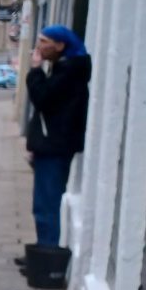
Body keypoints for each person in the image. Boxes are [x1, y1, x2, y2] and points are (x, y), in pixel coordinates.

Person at [25, 24, 91, 248]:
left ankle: (47, 252)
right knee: (43, 203)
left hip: (55, 148)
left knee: (47, 203)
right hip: (52, 145)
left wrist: (35, 70)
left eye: (44, 41)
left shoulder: (69, 71)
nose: (39, 46)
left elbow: (43, 99)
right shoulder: (64, 68)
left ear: (60, 45)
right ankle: (44, 247)